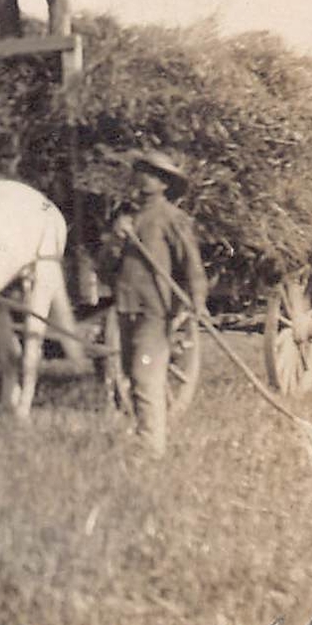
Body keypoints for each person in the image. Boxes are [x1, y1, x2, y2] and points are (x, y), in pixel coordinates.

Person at [100, 149, 207, 457]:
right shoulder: (127, 219)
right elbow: (105, 269)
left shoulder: (173, 219)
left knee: (145, 376)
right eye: (142, 172)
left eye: (153, 174)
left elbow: (192, 266)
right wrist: (116, 241)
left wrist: (197, 302)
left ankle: (151, 449)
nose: (144, 178)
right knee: (132, 377)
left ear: (164, 184)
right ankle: (142, 437)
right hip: (126, 307)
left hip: (155, 311)